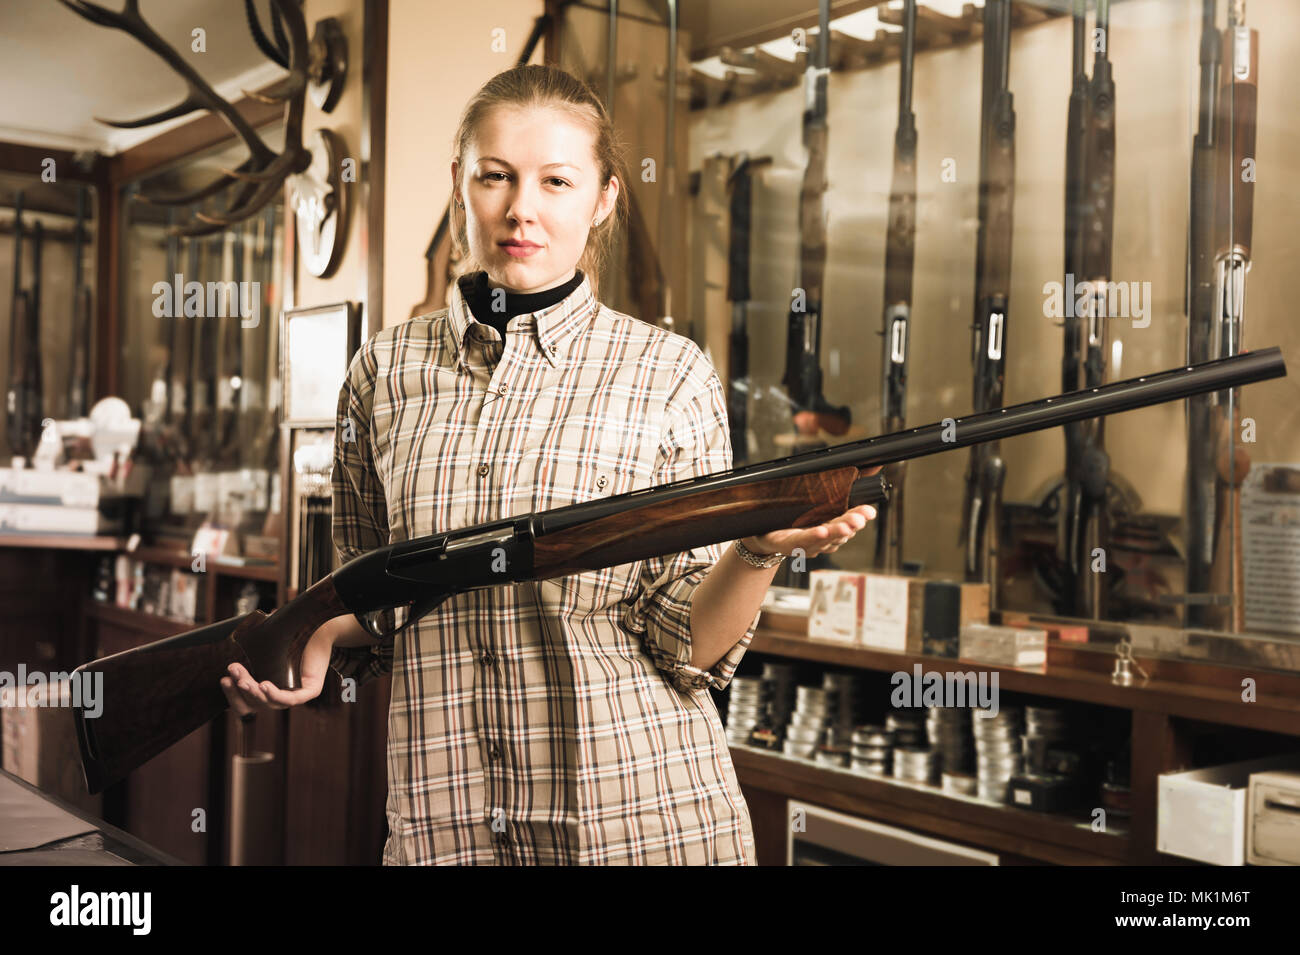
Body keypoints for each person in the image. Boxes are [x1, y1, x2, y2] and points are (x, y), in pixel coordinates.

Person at [220, 63, 876, 865]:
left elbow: (689, 646)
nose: (520, 209)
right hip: (448, 830)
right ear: (459, 183)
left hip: (644, 828)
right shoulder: (381, 374)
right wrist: (316, 635)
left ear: (602, 198)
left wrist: (759, 547)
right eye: (495, 176)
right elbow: (379, 591)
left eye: (556, 181)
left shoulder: (670, 373)